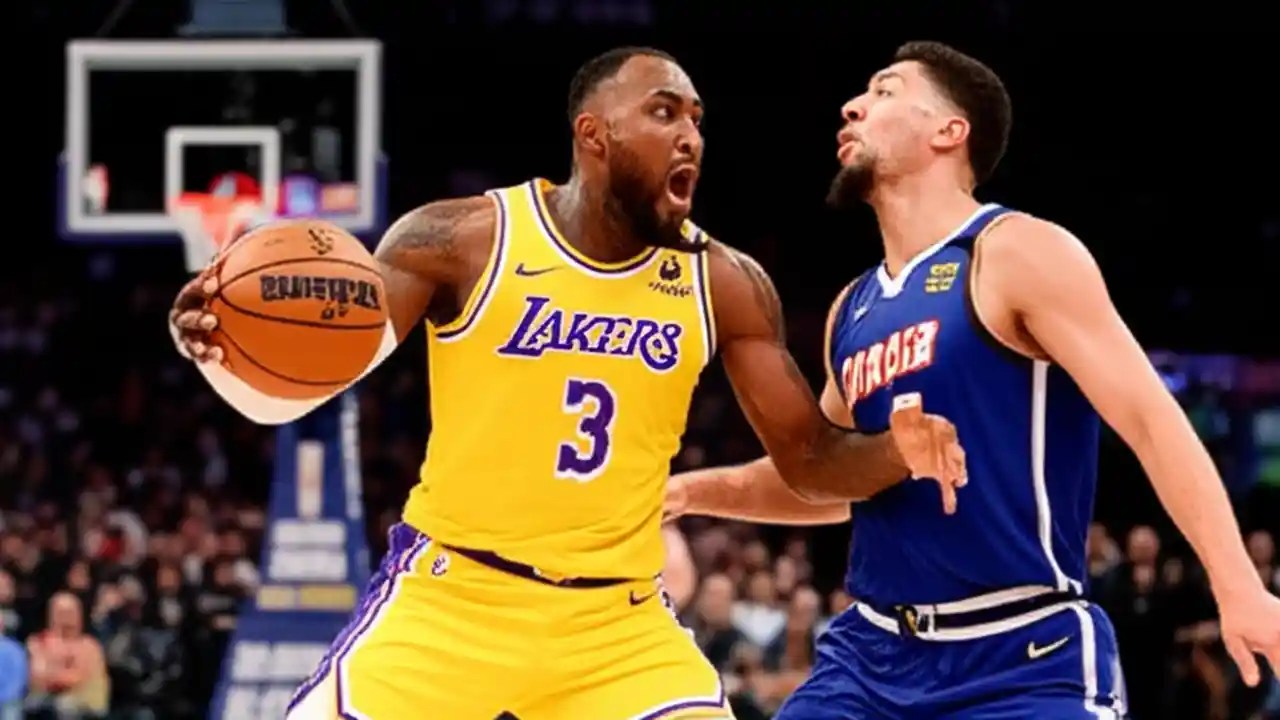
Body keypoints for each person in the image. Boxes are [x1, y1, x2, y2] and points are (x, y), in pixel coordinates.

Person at [169, 47, 966, 720]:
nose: (689, 136)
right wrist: (219, 351)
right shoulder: (462, 241)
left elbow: (811, 461)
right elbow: (308, 381)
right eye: (663, 113)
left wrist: (897, 450)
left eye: (696, 120)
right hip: (452, 599)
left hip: (615, 625)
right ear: (593, 134)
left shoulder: (723, 282)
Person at [666, 40, 1280, 718]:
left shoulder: (1015, 252)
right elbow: (825, 481)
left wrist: (1239, 586)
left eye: (886, 90)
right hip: (869, 659)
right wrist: (687, 492)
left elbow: (1149, 420)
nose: (853, 107)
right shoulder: (854, 306)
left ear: (948, 130)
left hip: (1021, 655)